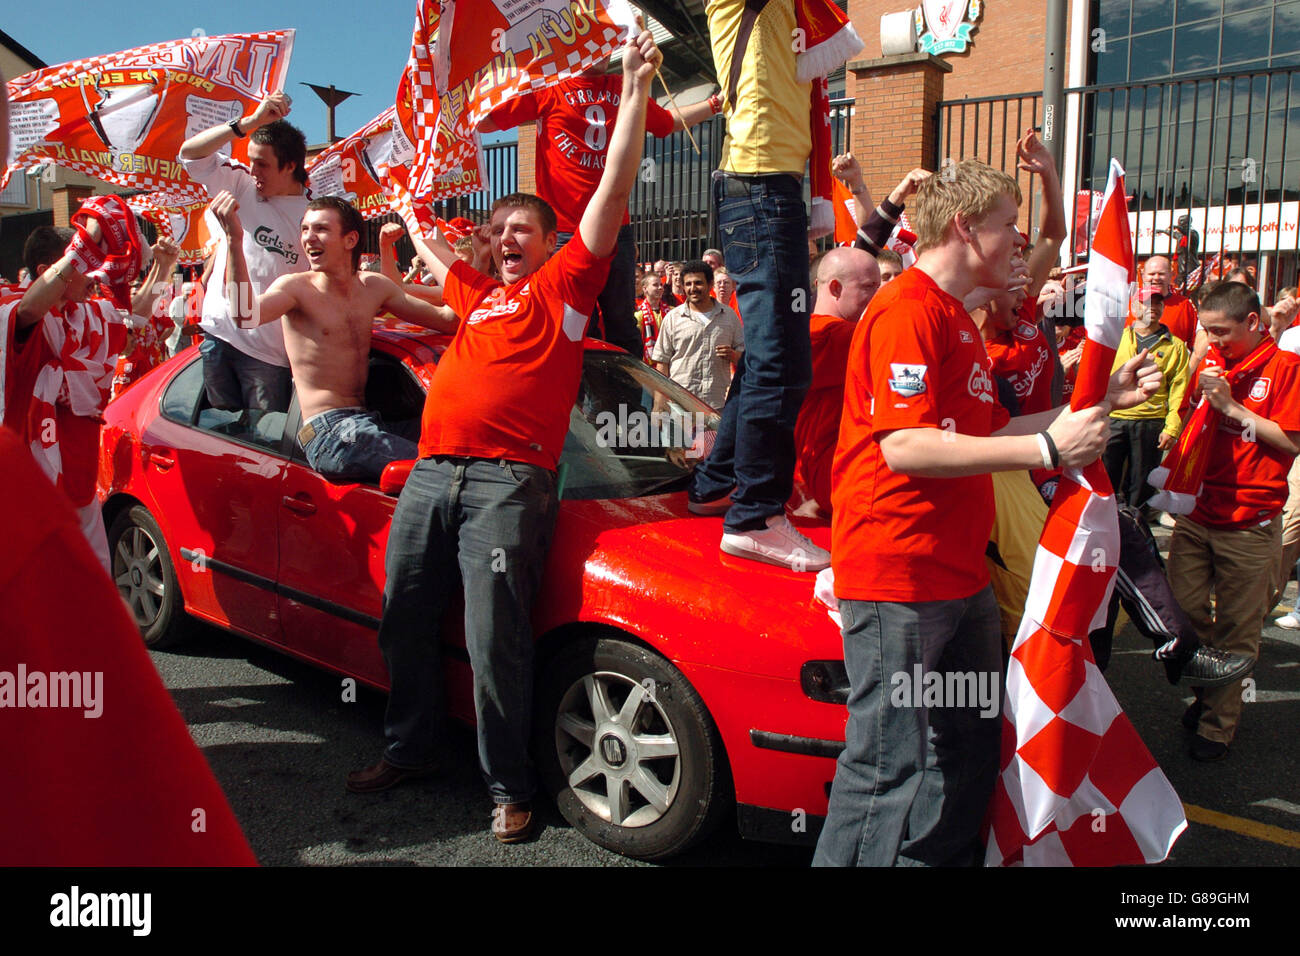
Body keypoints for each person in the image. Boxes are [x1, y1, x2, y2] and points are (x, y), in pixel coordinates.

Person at [346, 24, 663, 845]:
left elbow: (614, 192)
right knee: (403, 617)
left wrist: (631, 93)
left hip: (505, 483)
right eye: (502, 229)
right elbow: (424, 233)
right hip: (429, 473)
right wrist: (410, 183)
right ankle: (412, 748)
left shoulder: (565, 289)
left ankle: (509, 785)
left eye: (527, 228)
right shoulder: (475, 296)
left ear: (554, 244)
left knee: (495, 638)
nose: (510, 236)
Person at [813, 158, 1160, 866]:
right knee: (887, 766)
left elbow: (982, 434)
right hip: (899, 579)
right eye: (1010, 226)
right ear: (966, 228)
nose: (1021, 241)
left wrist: (1099, 404)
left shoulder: (955, 319)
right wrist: (1044, 446)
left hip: (959, 575)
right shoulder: (907, 310)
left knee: (970, 743)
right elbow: (907, 448)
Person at [686, 0, 829, 573]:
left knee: (769, 361)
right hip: (762, 188)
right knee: (782, 365)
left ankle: (719, 485)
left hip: (770, 188)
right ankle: (753, 518)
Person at [213, 194, 457, 484]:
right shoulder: (296, 289)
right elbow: (244, 315)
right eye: (305, 229)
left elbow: (448, 320)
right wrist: (233, 239)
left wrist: (454, 251)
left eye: (320, 229)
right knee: (440, 475)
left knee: (459, 442)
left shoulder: (374, 287)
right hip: (328, 431)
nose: (308, 238)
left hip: (368, 421)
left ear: (350, 240)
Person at [480, 62, 716, 358]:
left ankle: (624, 404)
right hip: (566, 233)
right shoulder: (546, 85)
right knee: (574, 324)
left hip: (614, 231)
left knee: (621, 325)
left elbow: (668, 122)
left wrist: (715, 103)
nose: (597, 53)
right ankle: (579, 400)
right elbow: (485, 121)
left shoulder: (623, 84)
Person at [1168, 280, 1300, 761]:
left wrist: (1231, 407)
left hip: (1249, 522)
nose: (1213, 341)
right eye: (1207, 331)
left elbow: (1291, 441)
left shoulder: (1286, 368)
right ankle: (1207, 691)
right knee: (1182, 615)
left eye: (1222, 332)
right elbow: (1187, 417)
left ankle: (1217, 726)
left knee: (1238, 632)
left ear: (1253, 323)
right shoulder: (1211, 363)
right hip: (1197, 512)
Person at [1, 215, 149, 570]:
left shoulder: (87, 316)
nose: (93, 275)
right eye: (85, 266)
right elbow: (29, 309)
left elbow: (131, 327)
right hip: (26, 485)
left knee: (90, 588)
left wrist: (164, 266)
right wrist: (82, 247)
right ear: (48, 269)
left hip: (79, 482)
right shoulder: (14, 307)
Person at [179, 91, 308, 414]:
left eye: (262, 164)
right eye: (251, 161)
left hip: (269, 354)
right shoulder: (239, 184)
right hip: (219, 335)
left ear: (290, 165)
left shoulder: (313, 217)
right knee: (216, 437)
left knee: (262, 446)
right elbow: (190, 154)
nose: (253, 171)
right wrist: (248, 123)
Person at [791, 247, 879, 516]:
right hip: (836, 481)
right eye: (868, 287)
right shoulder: (830, 336)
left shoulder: (820, 333)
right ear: (836, 288)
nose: (877, 297)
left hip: (826, 480)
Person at [1102, 288, 1191, 517]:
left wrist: (1172, 427)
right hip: (1115, 418)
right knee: (1105, 477)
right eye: (1146, 302)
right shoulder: (1117, 340)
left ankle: (1138, 527)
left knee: (1142, 483)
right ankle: (1106, 523)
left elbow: (1178, 390)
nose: (1153, 307)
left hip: (1151, 422)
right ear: (1133, 307)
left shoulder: (1176, 346)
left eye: (1158, 303)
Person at [651, 259, 744, 411]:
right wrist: (658, 406)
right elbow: (662, 365)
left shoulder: (729, 316)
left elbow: (744, 359)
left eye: (698, 283)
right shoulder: (673, 318)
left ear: (710, 284)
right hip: (680, 406)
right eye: (688, 284)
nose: (693, 288)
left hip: (716, 405)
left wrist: (733, 355)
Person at [636, 270, 668, 363]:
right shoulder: (638, 314)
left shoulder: (670, 311)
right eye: (655, 285)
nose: (660, 288)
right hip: (647, 364)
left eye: (661, 285)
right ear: (645, 289)